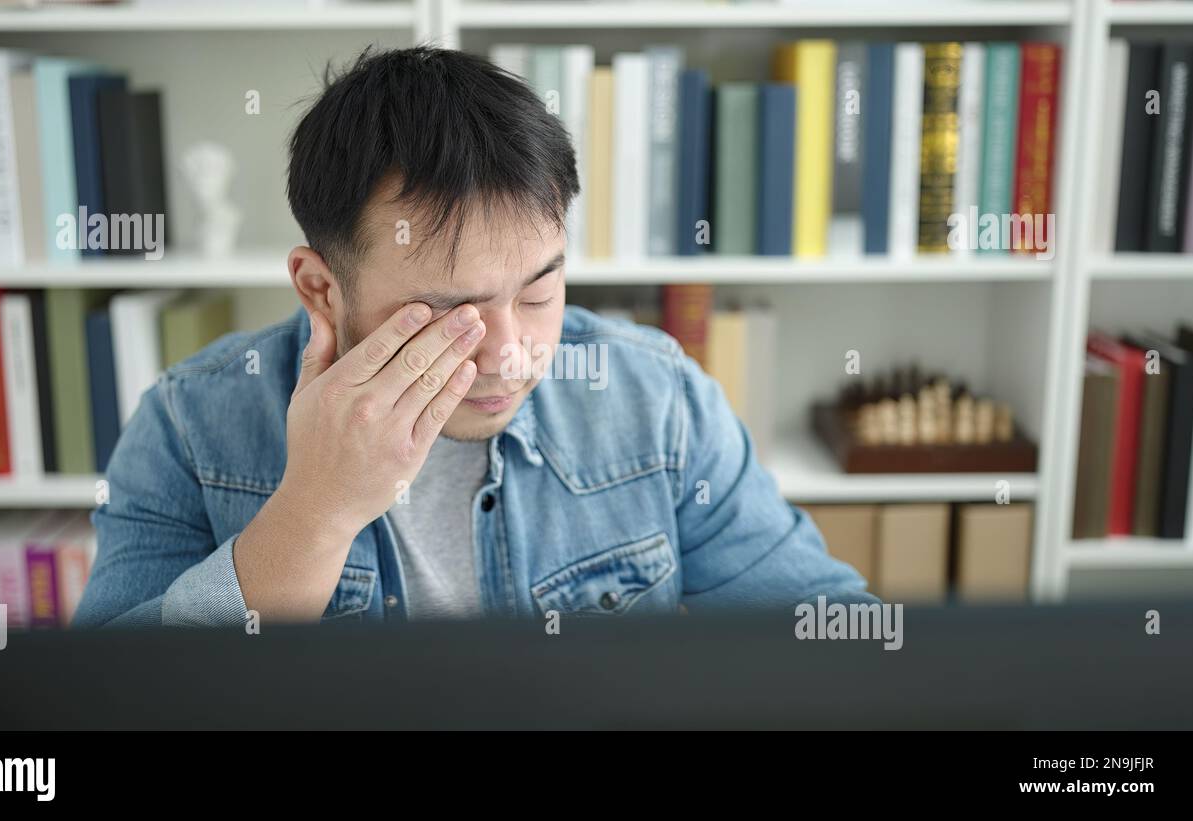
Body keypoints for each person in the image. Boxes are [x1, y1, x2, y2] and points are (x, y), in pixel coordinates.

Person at [73, 46, 876, 628]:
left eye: (539, 289)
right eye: (447, 313)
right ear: (322, 286)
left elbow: (831, 630)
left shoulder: (656, 399)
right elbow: (105, 716)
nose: (507, 354)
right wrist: (314, 512)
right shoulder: (187, 428)